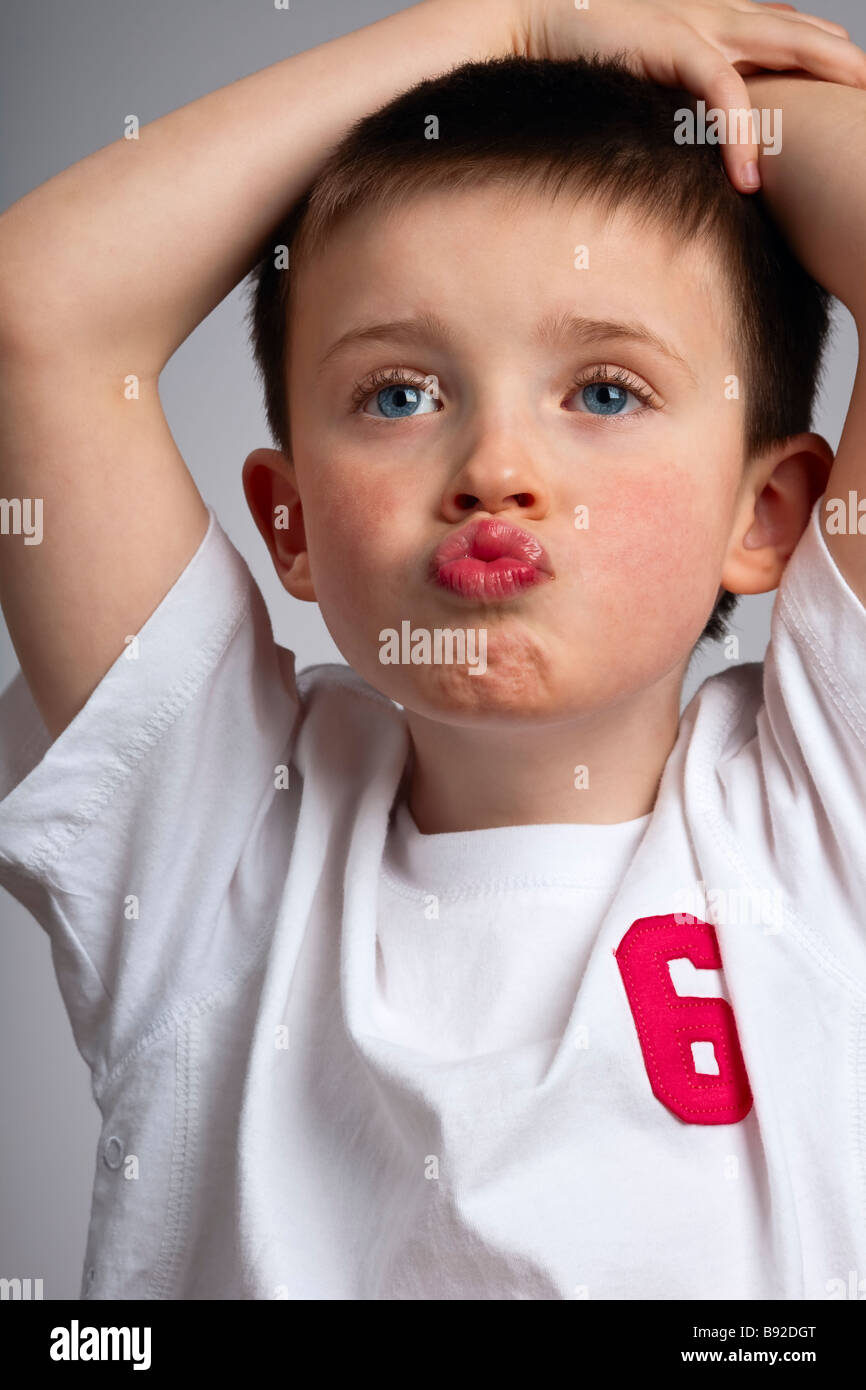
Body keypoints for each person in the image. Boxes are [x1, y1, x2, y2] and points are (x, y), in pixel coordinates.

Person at [0, 0, 864, 1300]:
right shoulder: (215, 837)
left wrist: (708, 91)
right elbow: (37, 314)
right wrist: (510, 25)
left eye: (604, 392)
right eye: (400, 394)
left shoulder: (823, 814)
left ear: (764, 515)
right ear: (288, 523)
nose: (494, 471)